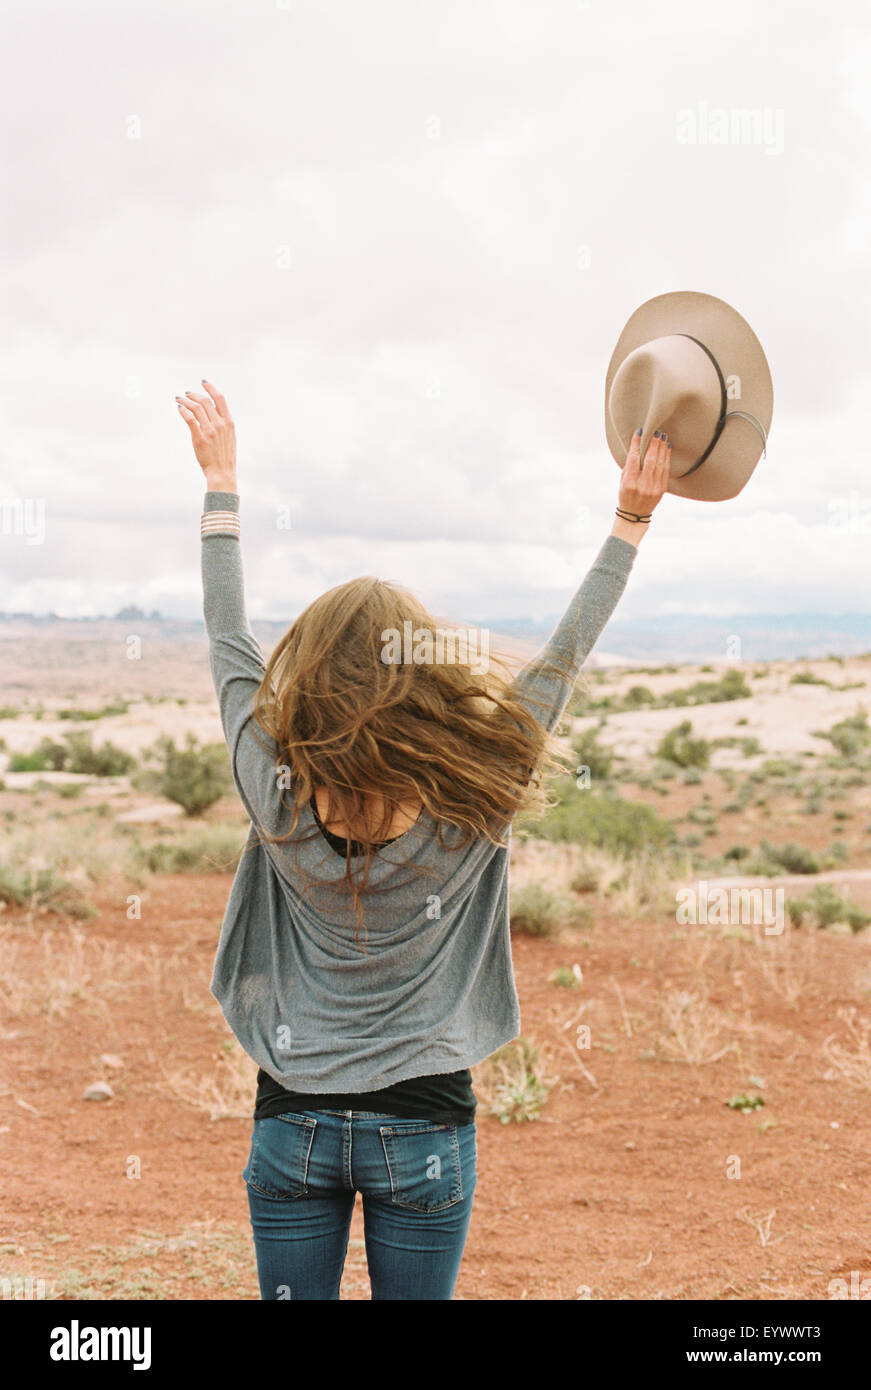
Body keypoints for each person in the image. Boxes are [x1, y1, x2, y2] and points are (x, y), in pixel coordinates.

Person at [176, 380, 668, 1300]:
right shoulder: (473, 791)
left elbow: (225, 636)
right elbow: (563, 658)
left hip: (294, 1125)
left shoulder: (274, 792)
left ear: (307, 679)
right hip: (426, 1131)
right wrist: (628, 523)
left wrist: (221, 484)